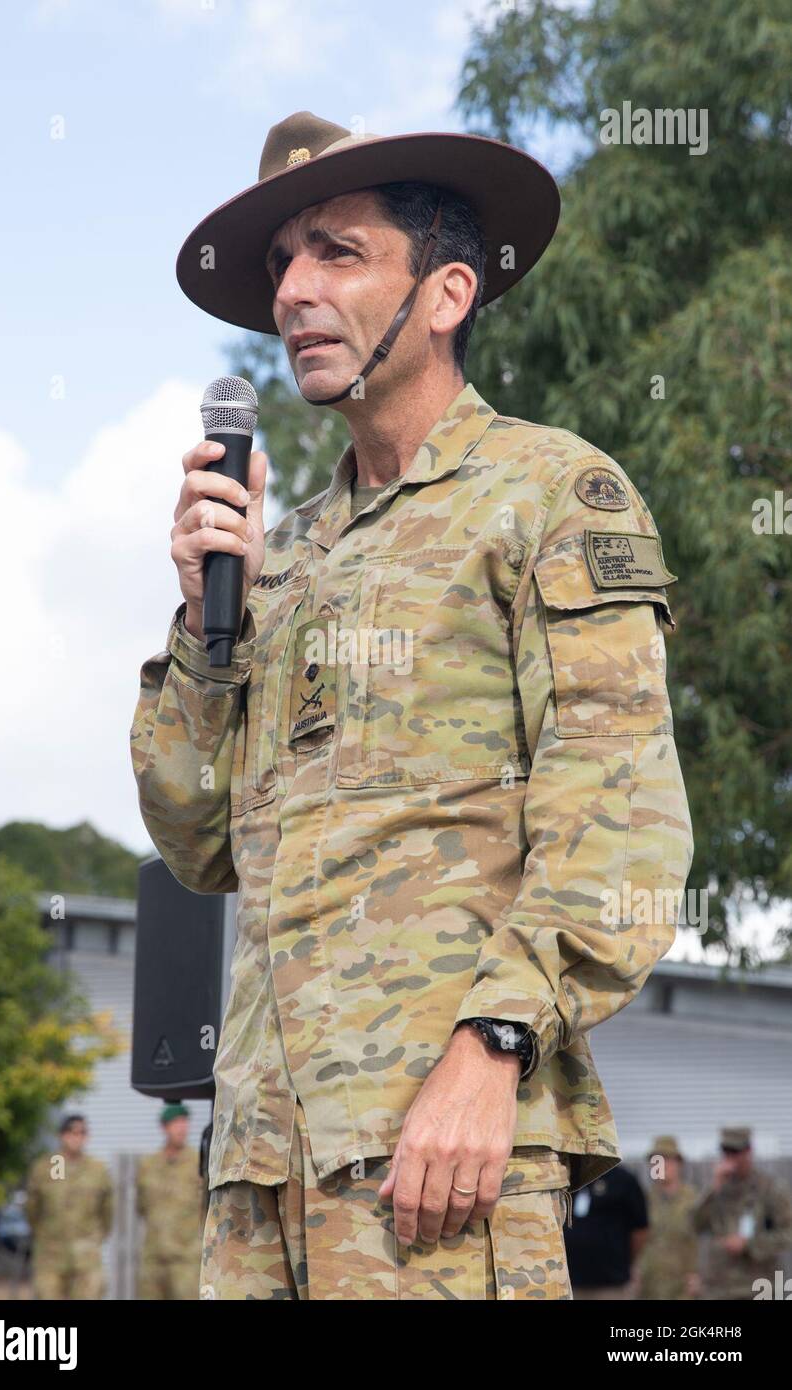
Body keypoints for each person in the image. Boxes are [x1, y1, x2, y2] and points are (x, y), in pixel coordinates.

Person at [131, 109, 693, 1300]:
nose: (291, 289)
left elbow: (619, 815)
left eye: (335, 251)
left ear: (444, 293)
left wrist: (492, 1049)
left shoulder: (552, 494)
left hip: (439, 1177)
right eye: (282, 261)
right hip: (258, 1185)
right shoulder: (273, 560)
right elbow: (192, 838)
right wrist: (200, 626)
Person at [693, 1126, 792, 1301]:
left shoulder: (770, 1189)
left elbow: (788, 1234)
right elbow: (695, 1224)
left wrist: (749, 1244)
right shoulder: (716, 1190)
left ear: (749, 1151)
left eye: (736, 1151)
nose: (732, 1158)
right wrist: (713, 1188)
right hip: (718, 1290)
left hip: (758, 1288)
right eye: (727, 1151)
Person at [26, 1114, 113, 1299]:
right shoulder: (46, 1168)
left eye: (81, 1133)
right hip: (51, 1255)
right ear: (62, 1136)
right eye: (71, 1132)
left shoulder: (98, 1170)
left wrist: (94, 1238)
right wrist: (45, 1235)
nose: (76, 1137)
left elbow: (107, 1212)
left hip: (86, 1257)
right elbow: (33, 1209)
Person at [136, 1103, 204, 1300]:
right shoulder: (148, 1165)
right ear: (164, 1127)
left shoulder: (198, 1162)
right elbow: (141, 1206)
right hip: (154, 1257)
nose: (182, 1128)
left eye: (185, 1122)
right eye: (176, 1123)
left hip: (186, 1259)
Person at [564, 1166, 649, 1299]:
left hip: (611, 1286)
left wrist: (626, 1261)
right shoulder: (567, 1178)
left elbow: (640, 1230)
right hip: (570, 1283)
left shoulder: (623, 1180)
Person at [634, 1135, 698, 1300]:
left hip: (683, 1287)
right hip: (650, 1287)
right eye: (655, 1161)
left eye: (666, 1160)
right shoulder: (644, 1201)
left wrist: (699, 1273)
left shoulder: (693, 1200)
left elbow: (703, 1239)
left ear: (678, 1163)